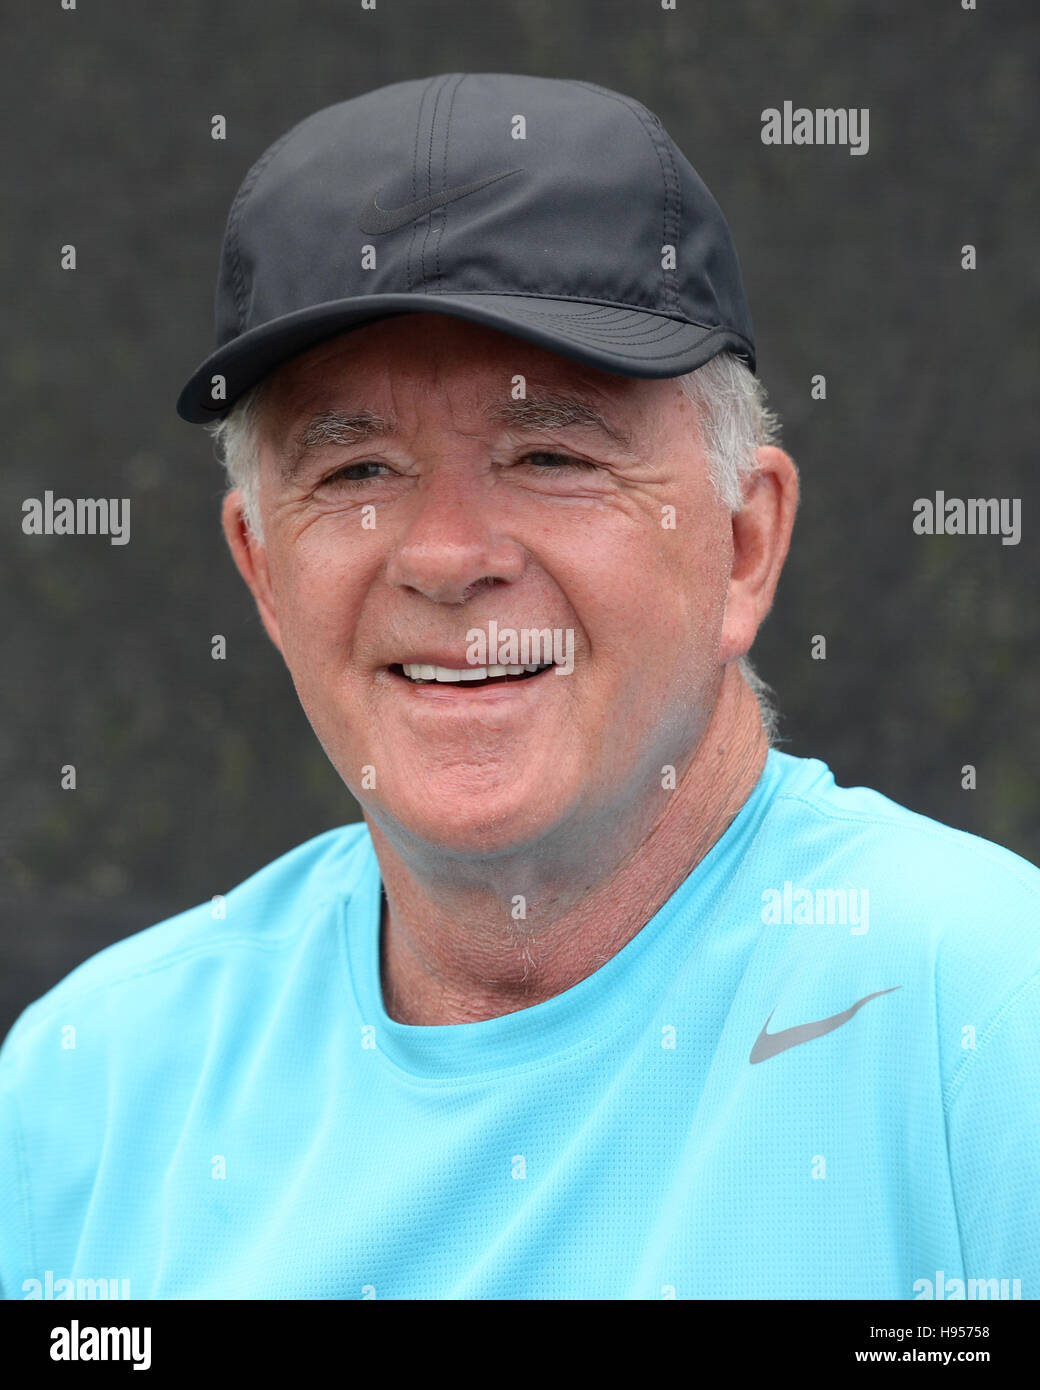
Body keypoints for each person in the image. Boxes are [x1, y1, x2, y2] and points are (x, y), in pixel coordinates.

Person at [2, 73, 1037, 1302]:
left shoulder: (982, 1014)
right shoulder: (91, 1082)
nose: (446, 555)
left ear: (742, 545)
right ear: (263, 571)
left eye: (550, 453)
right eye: (357, 469)